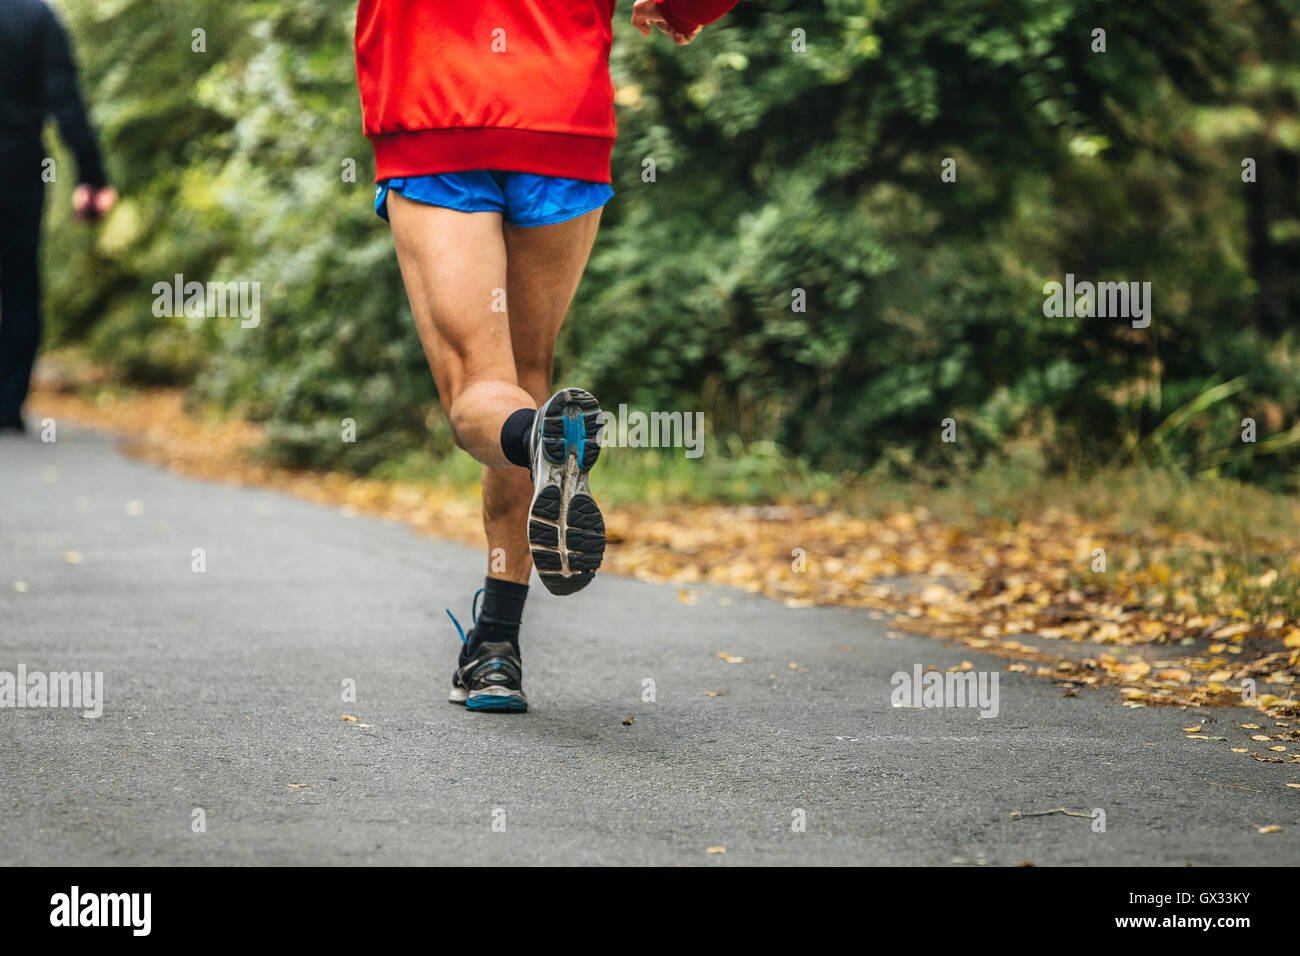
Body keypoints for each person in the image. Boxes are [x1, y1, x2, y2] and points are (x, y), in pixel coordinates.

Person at [354, 0, 737, 711]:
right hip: (562, 118)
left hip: (438, 110)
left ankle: (538, 441)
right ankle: (496, 641)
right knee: (527, 375)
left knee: (482, 389)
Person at [0, 0, 116, 434]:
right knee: (19, 288)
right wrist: (93, 175)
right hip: (19, 170)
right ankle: (7, 404)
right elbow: (63, 98)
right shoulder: (38, 18)